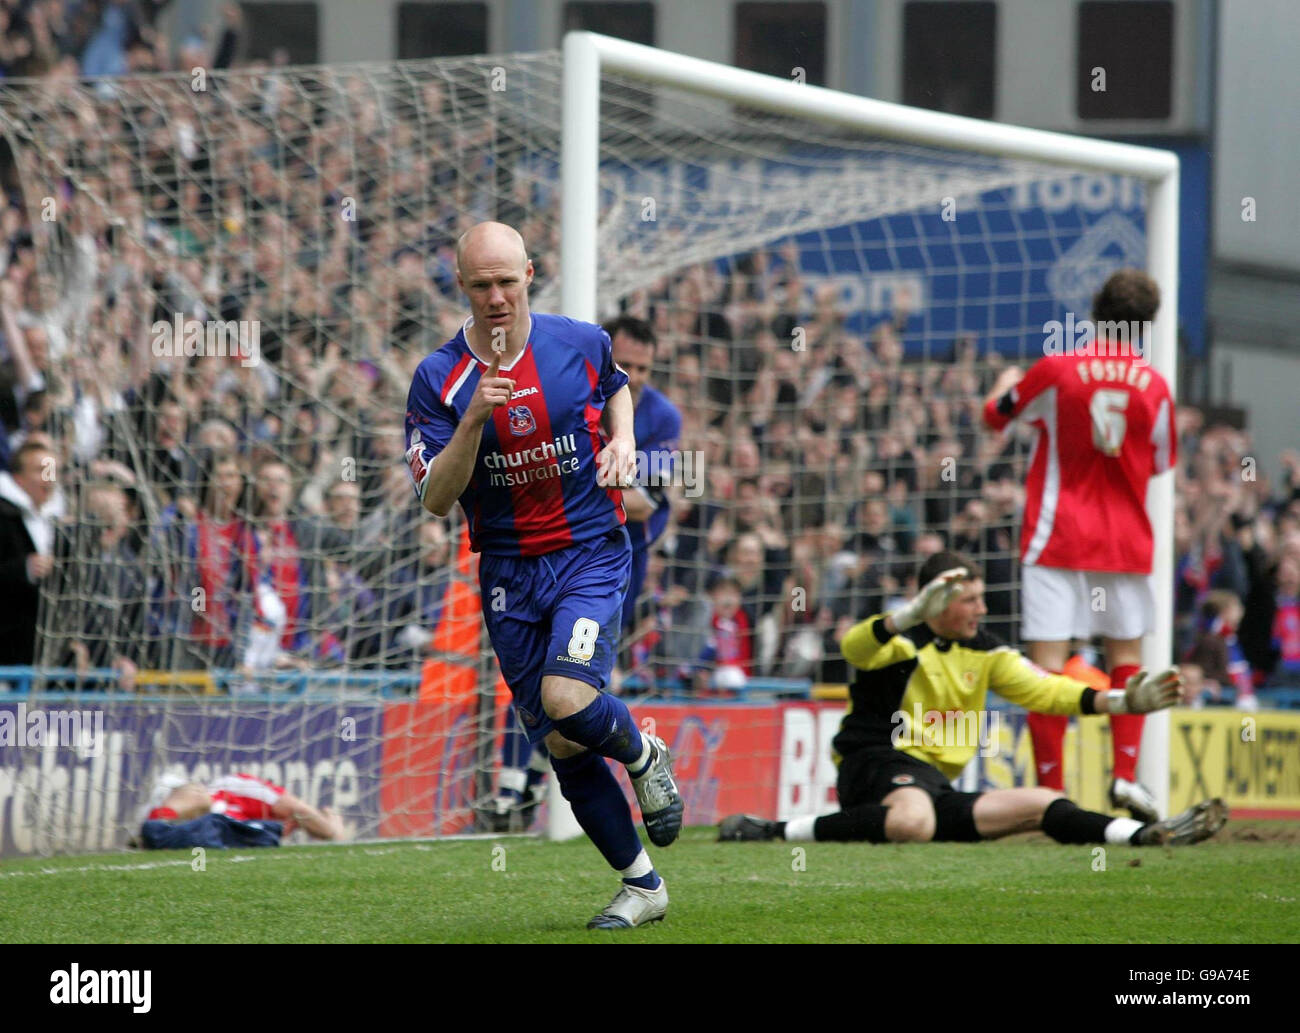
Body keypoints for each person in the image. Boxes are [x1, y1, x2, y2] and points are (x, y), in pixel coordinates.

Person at [403, 221, 682, 930]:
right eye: (480, 285)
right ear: (462, 288)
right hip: (507, 572)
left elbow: (616, 386)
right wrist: (470, 423)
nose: (496, 297)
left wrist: (621, 441)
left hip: (589, 548)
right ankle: (642, 884)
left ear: (530, 273)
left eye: (506, 280)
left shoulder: (578, 341)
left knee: (566, 697)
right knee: (560, 744)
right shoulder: (438, 379)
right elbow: (436, 498)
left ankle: (645, 751)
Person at [719, 553, 1227, 848]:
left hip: (934, 786)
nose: (981, 609)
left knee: (1044, 802)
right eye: (970, 599)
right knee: (913, 821)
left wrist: (1120, 701)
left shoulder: (986, 653)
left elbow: (1047, 690)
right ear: (935, 602)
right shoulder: (901, 642)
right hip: (873, 766)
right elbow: (854, 646)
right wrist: (907, 613)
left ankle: (1146, 836)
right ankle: (771, 830)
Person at [980, 269, 1177, 822]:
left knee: (1046, 668)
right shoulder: (1156, 387)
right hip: (1124, 541)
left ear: (1095, 311)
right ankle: (1125, 776)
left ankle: (1051, 794)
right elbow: (1160, 462)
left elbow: (994, 418)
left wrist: (1003, 382)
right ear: (1147, 324)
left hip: (1058, 535)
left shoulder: (1057, 370)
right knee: (1127, 659)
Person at [138, 773, 346, 849]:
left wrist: (331, 832)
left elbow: (297, 810)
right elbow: (154, 831)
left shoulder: (233, 788)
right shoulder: (176, 832)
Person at [0, 440, 56, 665]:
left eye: (52, 471)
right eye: (40, 471)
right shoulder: (4, 516)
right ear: (18, 478)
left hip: (38, 650)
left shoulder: (55, 524)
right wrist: (23, 569)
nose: (49, 479)